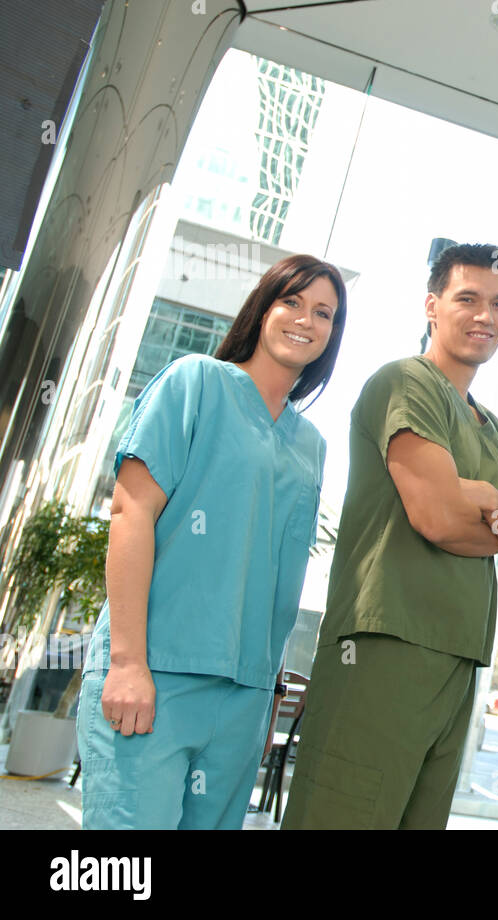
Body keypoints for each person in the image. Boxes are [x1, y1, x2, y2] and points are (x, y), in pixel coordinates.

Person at [281, 242, 498, 830]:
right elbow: (436, 517)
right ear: (432, 305)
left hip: (457, 660)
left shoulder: (497, 433)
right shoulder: (406, 382)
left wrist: (480, 498)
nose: (486, 315)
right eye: (468, 299)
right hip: (384, 644)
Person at [77, 253, 347, 829]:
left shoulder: (311, 445)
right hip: (155, 673)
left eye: (323, 312)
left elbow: (280, 568)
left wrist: (268, 688)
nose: (306, 319)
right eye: (291, 301)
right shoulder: (194, 382)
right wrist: (126, 662)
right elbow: (130, 513)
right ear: (262, 308)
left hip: (245, 697)